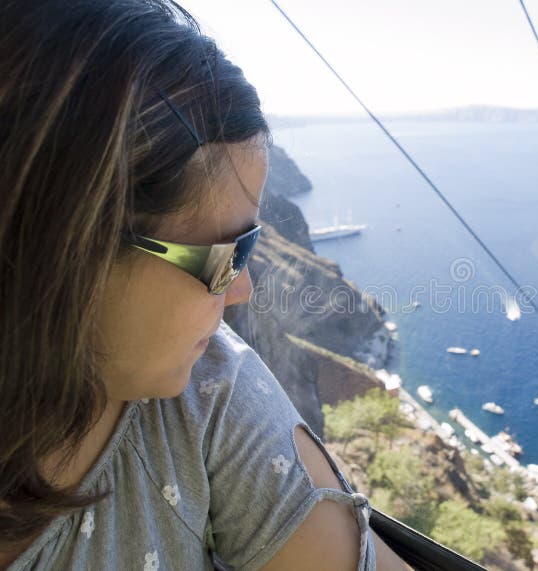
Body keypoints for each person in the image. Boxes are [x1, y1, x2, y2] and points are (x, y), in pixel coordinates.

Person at [0, 1, 411, 569]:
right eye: (227, 255)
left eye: (253, 245)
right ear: (63, 254)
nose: (243, 290)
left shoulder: (208, 392)